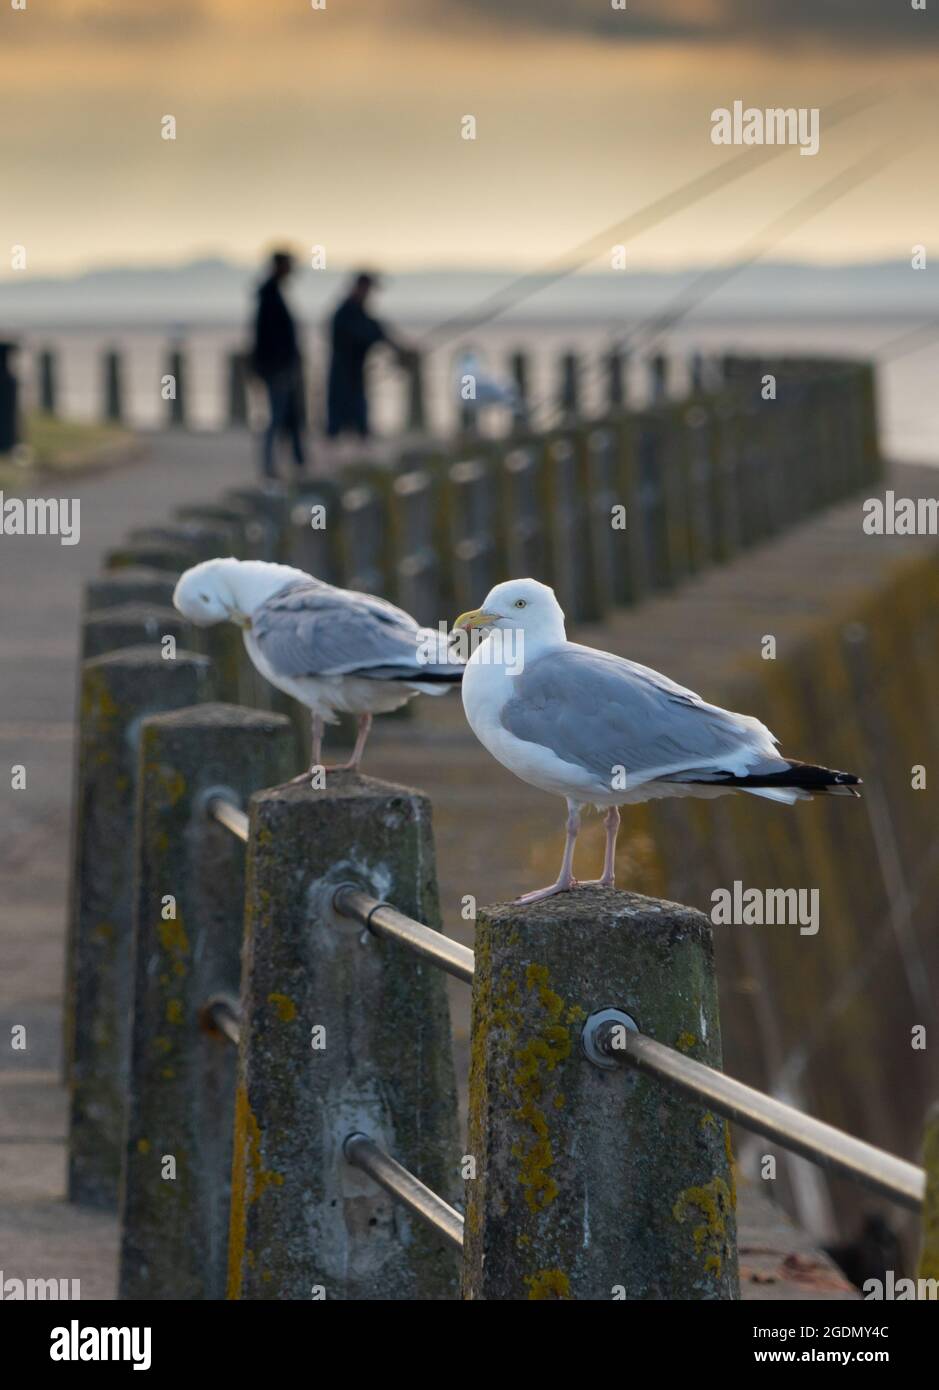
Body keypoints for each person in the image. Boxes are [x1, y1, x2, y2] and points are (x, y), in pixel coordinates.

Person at [326, 272, 410, 439]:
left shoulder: (360, 313)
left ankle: (358, 443)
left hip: (355, 374)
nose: (369, 294)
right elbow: (367, 334)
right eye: (367, 289)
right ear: (359, 287)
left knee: (358, 418)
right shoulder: (344, 313)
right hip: (343, 374)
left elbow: (378, 331)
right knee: (340, 418)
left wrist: (399, 349)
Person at [251, 250, 306, 478]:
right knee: (277, 416)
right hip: (277, 368)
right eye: (288, 265)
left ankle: (295, 461)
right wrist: (282, 364)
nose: (291, 270)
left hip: (278, 366)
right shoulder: (270, 296)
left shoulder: (270, 294)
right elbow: (270, 337)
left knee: (287, 414)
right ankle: (270, 464)